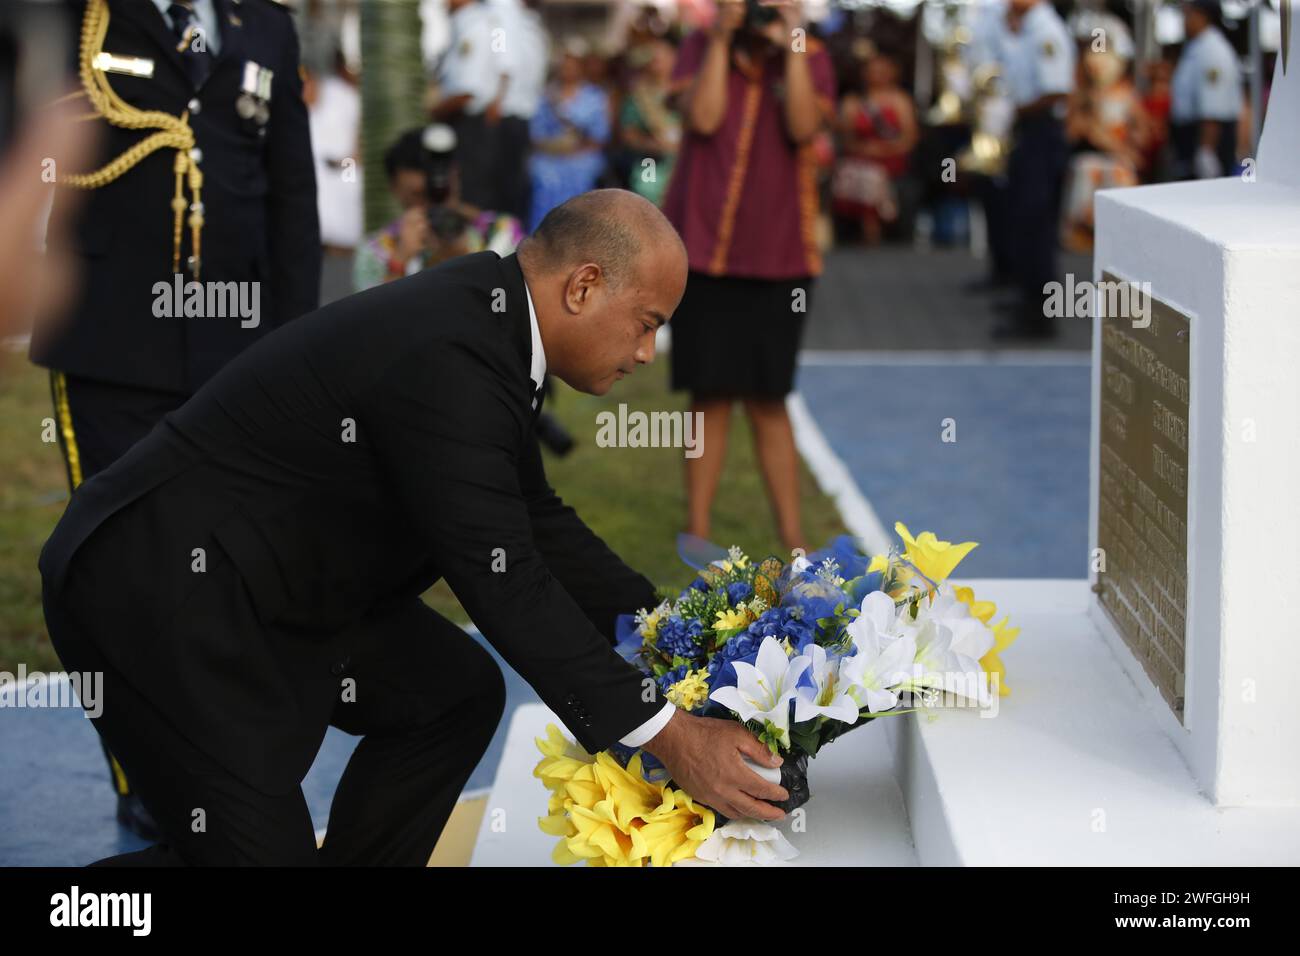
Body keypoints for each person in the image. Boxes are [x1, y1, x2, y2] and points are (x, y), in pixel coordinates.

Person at [39, 189, 791, 865]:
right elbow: (504, 581)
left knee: (452, 695)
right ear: (584, 285)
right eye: (647, 323)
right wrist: (667, 733)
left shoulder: (487, 324)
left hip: (268, 573)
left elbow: (535, 523)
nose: (645, 352)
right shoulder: (454, 355)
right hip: (157, 589)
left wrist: (674, 635)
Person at [28, 0, 320, 840]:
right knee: (113, 571)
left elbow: (291, 196)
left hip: (237, 346)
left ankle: (221, 762)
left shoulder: (264, 25)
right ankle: (145, 774)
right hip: (112, 339)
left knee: (225, 569)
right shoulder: (78, 15)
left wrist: (300, 346)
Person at [662, 0, 836, 553]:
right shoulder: (699, 46)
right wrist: (719, 41)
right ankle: (697, 532)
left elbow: (803, 125)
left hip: (779, 254)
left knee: (768, 397)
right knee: (708, 394)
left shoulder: (811, 55)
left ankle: (792, 538)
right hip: (703, 251)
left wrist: (795, 47)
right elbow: (704, 118)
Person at [352, 125, 523, 292]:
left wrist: (466, 254)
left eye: (439, 192)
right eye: (417, 194)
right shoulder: (376, 251)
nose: (431, 203)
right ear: (394, 188)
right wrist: (399, 262)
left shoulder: (501, 232)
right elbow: (371, 319)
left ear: (455, 175)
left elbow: (520, 307)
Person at [991, 0, 1074, 341]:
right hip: (1029, 131)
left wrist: (1013, 110)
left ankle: (1040, 315)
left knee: (1036, 224)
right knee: (1024, 221)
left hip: (1040, 132)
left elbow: (1055, 91)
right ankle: (1029, 301)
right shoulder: (1029, 29)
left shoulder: (1046, 32)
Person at [1061, 46, 1148, 252]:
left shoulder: (1127, 95)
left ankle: (1122, 232)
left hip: (1120, 157)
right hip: (1092, 156)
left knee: (1120, 173)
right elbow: (1073, 132)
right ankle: (1082, 231)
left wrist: (1132, 141)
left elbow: (1143, 131)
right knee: (1086, 169)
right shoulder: (1081, 95)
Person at [831, 49, 917, 244]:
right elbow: (846, 137)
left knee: (873, 172)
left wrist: (884, 150)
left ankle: (874, 224)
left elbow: (909, 138)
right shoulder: (852, 101)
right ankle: (874, 222)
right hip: (860, 156)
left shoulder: (901, 100)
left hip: (892, 158)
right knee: (861, 170)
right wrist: (865, 149)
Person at [528, 38, 611, 233]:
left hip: (582, 156)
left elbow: (599, 136)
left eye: (572, 64)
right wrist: (554, 148)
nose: (567, 68)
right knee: (543, 176)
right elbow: (536, 132)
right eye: (564, 63)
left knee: (581, 178)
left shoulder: (594, 96)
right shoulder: (546, 94)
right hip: (550, 157)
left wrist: (576, 149)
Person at [432, 0, 508, 212]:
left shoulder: (474, 27)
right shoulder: (467, 24)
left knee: (470, 199)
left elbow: (466, 92)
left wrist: (430, 113)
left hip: (470, 126)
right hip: (466, 123)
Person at [1169, 0, 1241, 181]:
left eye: (1188, 13)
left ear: (1202, 16)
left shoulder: (1212, 51)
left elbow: (1213, 106)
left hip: (1207, 138)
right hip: (1193, 137)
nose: (1184, 19)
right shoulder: (1197, 47)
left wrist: (1206, 150)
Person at [619, 36, 681, 207]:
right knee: (647, 190)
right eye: (653, 57)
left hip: (681, 160)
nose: (656, 61)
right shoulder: (638, 95)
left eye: (662, 56)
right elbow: (628, 134)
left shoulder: (685, 89)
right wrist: (650, 145)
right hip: (650, 160)